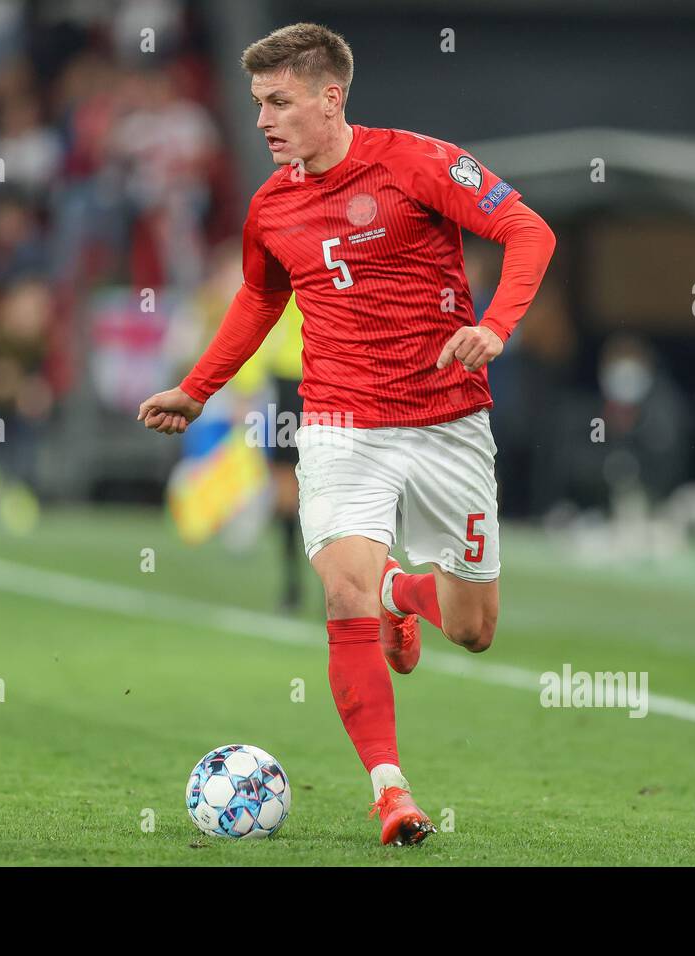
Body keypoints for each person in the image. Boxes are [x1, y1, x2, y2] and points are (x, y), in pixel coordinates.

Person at [137, 22, 555, 844]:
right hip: (339, 423)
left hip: (448, 421)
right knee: (341, 593)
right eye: (258, 103)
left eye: (280, 101)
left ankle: (405, 591)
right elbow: (260, 300)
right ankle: (391, 792)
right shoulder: (270, 206)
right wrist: (196, 389)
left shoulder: (418, 162)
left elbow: (528, 230)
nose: (263, 119)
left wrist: (497, 327)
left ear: (332, 98)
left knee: (473, 630)